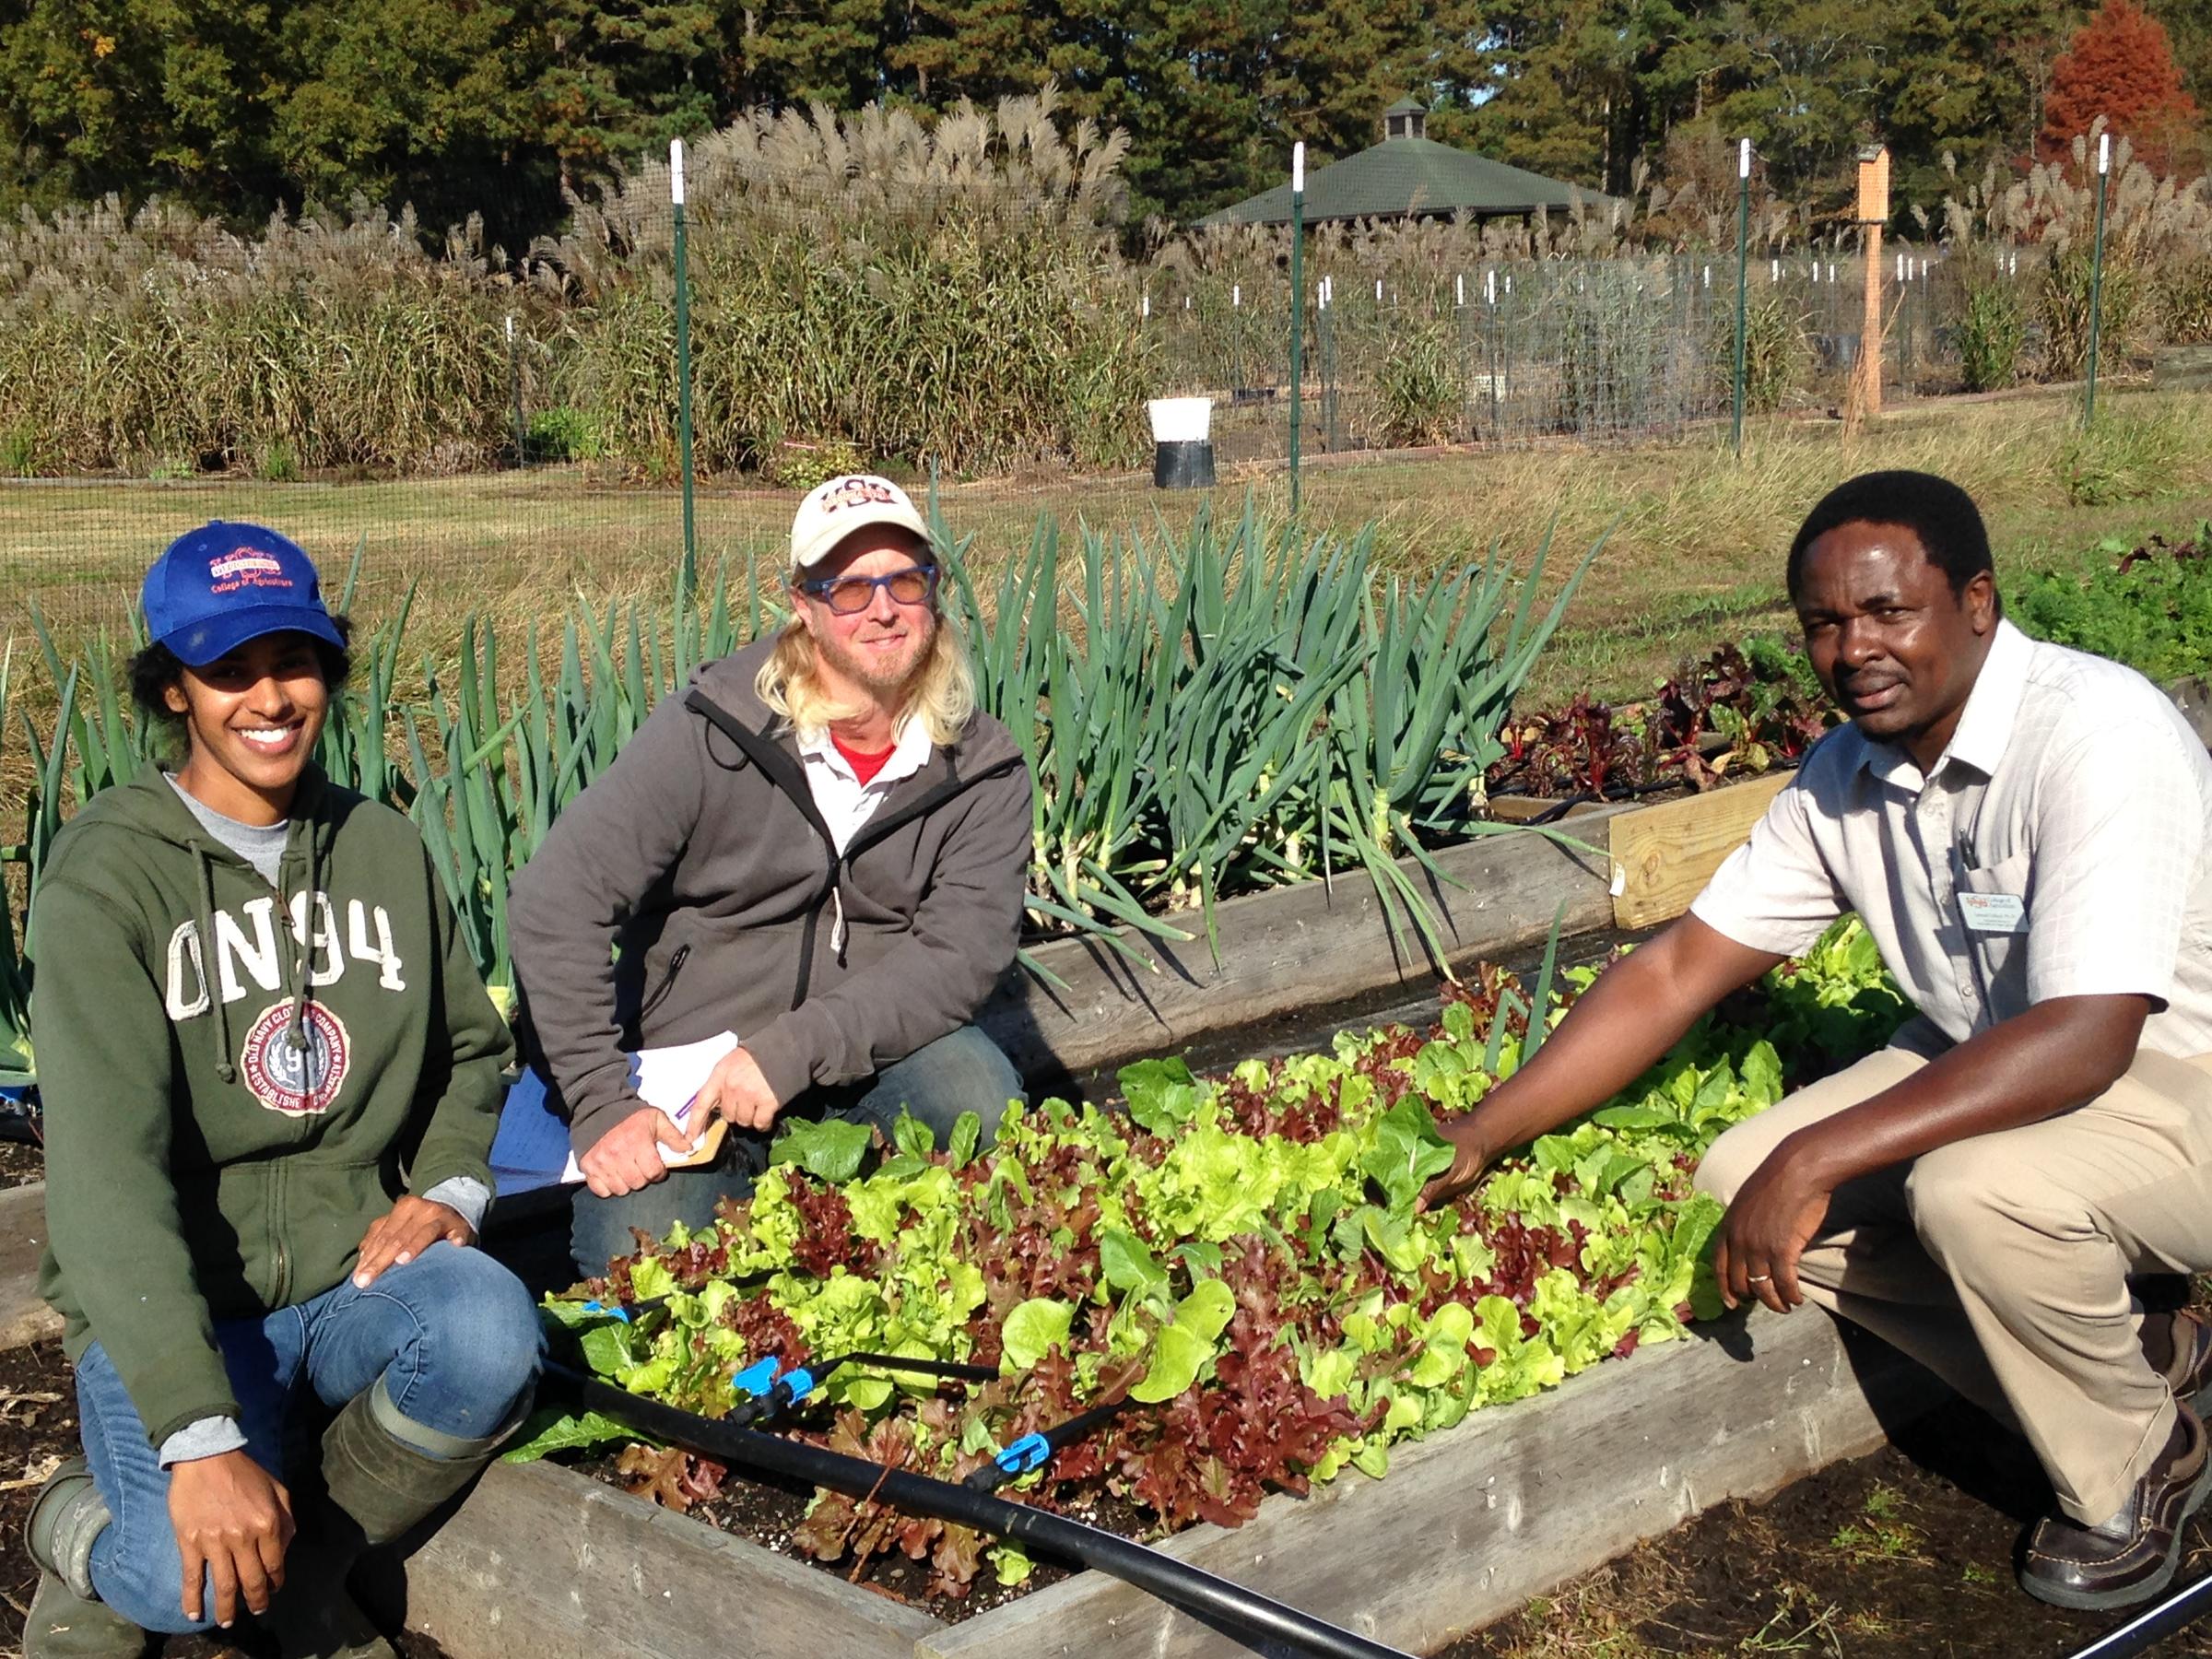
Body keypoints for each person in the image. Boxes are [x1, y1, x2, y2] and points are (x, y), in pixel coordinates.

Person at [1422, 470, 2212, 1613]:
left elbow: (2088, 1038)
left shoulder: (2096, 734)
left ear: (1977, 602)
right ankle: (2139, 1360)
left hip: (2177, 1078)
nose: (1854, 649)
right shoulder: (1847, 775)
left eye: (1889, 612)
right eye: (1825, 624)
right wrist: (1485, 1129)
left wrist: (1824, 1153)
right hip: (1999, 1056)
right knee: (1735, 1176)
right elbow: (1680, 970)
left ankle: (2144, 1466)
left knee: (1968, 1192)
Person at [21, 523, 543, 1659]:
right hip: (181, 1303)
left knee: (491, 1331)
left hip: (347, 1275)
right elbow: (106, 1182)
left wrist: (452, 1188)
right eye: (228, 669)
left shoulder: (382, 849)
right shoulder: (109, 880)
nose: (269, 696)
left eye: (294, 661)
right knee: (182, 1585)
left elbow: (470, 1048)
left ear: (330, 671)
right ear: (173, 691)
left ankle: (297, 1565)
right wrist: (201, 1437)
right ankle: (74, 1525)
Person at [511, 475, 1032, 1277]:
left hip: (865, 1049)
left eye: (905, 580)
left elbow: (959, 957)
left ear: (935, 592)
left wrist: (793, 1050)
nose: (883, 608)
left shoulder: (980, 768)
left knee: (978, 1103)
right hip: (688, 1078)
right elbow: (557, 903)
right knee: (643, 1258)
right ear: (803, 603)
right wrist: (601, 1102)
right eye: (850, 587)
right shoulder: (714, 730)